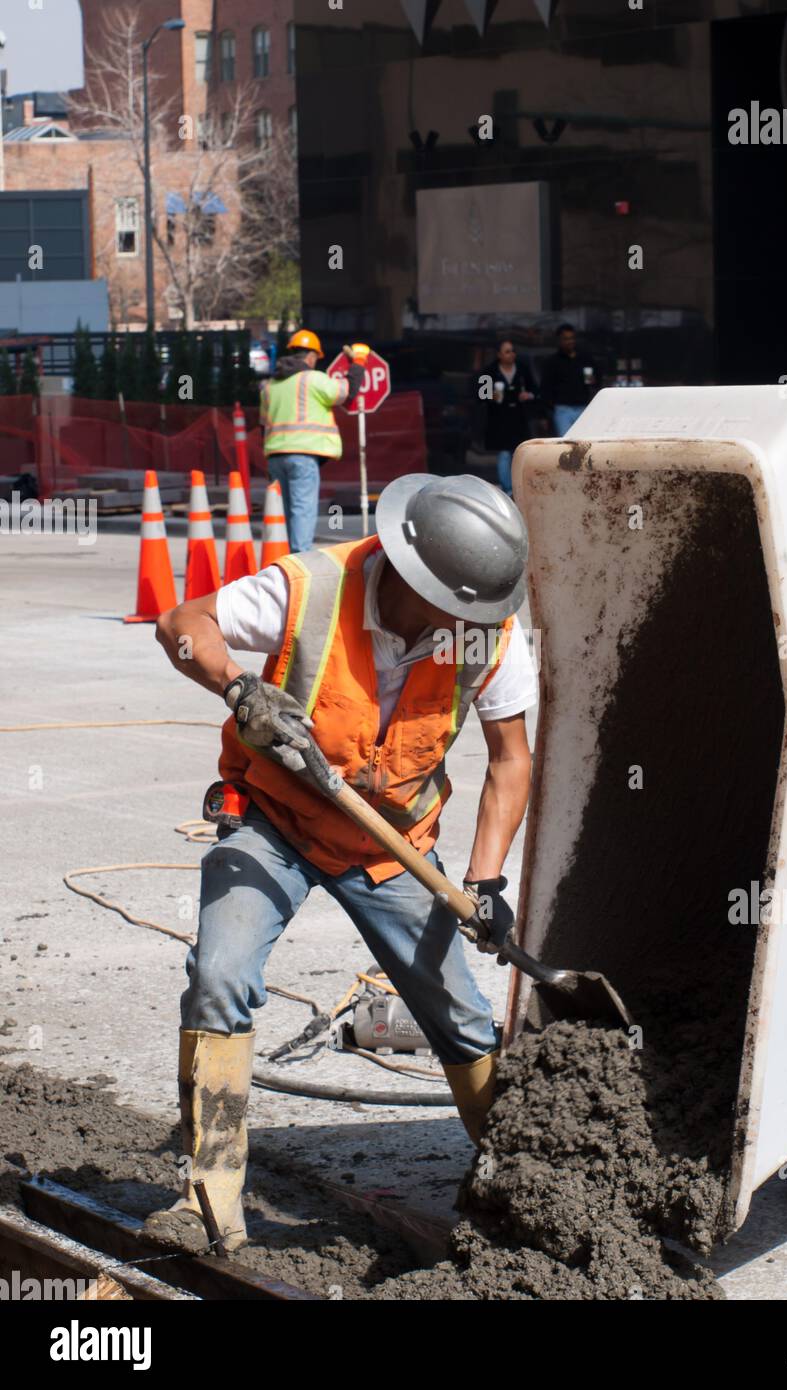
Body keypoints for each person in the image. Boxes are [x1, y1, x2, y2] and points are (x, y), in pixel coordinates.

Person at [148, 474, 538, 1253]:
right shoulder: (310, 588)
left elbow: (512, 761)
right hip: (276, 821)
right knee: (221, 974)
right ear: (412, 577)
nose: (473, 624)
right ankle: (208, 1197)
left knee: (460, 1015)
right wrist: (238, 686)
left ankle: (523, 1188)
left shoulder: (488, 633)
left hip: (391, 848)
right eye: (458, 608)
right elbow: (179, 623)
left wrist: (486, 880)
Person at [259, 331, 365, 553]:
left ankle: (289, 559)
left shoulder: (270, 386)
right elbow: (347, 392)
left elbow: (263, 424)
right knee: (303, 509)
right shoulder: (313, 379)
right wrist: (358, 363)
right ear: (311, 357)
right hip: (303, 456)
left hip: (275, 456)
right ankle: (301, 560)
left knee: (287, 511)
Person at [483, 339, 538, 496]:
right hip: (499, 417)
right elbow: (481, 395)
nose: (511, 354)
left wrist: (528, 395)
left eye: (513, 350)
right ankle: (507, 489)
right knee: (504, 453)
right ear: (499, 354)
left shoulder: (522, 369)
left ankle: (520, 485)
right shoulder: (490, 371)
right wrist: (491, 396)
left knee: (519, 451)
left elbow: (534, 389)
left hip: (519, 417)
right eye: (507, 351)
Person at [540, 322, 601, 436]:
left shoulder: (585, 358)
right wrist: (545, 412)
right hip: (562, 409)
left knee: (583, 441)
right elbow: (545, 388)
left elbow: (597, 378)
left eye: (572, 338)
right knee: (566, 442)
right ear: (559, 340)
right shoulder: (553, 362)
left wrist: (593, 381)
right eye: (566, 339)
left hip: (583, 407)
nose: (570, 341)